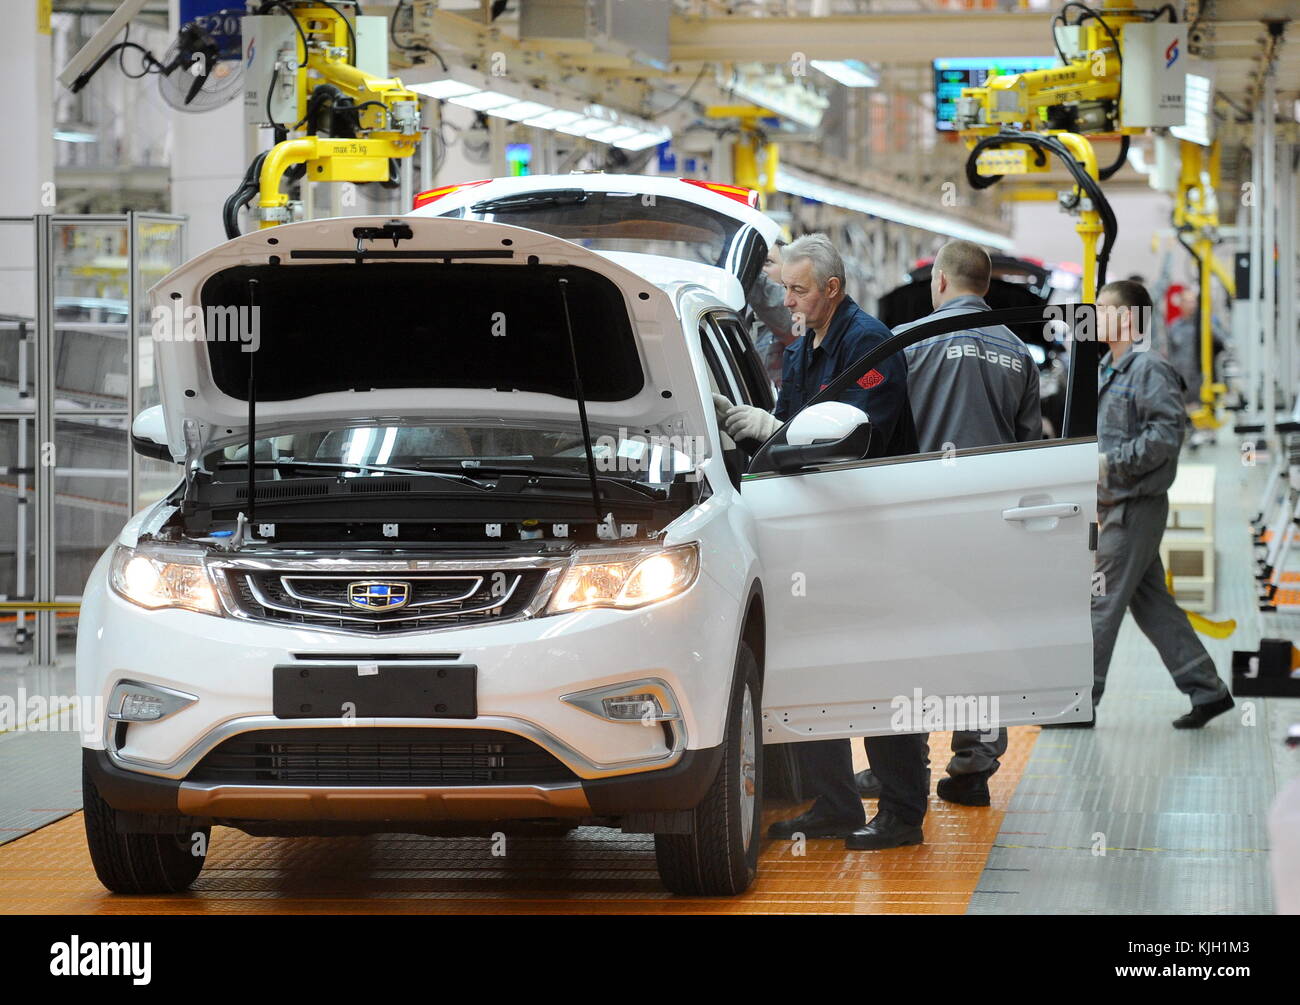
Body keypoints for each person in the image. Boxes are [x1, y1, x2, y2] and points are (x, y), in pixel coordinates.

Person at [718, 232, 921, 848]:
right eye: (784, 289)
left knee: (880, 670)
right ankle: (834, 804)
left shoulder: (868, 344)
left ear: (833, 289)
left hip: (870, 531)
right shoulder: (807, 346)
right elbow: (789, 435)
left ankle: (903, 813)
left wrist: (772, 428)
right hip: (814, 531)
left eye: (799, 290)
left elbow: (856, 437)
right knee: (817, 667)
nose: (790, 300)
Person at [852, 239, 1042, 811]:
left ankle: (904, 767)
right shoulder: (1019, 354)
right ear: (983, 287)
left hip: (919, 520)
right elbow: (1030, 447)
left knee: (909, 643)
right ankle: (974, 771)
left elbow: (877, 432)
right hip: (993, 526)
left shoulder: (910, 344)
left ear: (939, 282)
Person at [1057, 279, 1233, 728]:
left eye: (1105, 310)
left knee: (1100, 602)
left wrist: (1108, 464)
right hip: (1118, 502)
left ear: (1130, 319)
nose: (1095, 317)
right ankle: (1207, 689)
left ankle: (1080, 703)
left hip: (1135, 505)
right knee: (1152, 604)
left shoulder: (1148, 369)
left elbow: (1167, 434)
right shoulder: (1110, 369)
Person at [745, 240, 794, 390]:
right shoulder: (743, 321)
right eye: (756, 263)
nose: (760, 269)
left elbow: (779, 307)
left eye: (767, 262)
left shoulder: (798, 316)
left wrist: (748, 268)